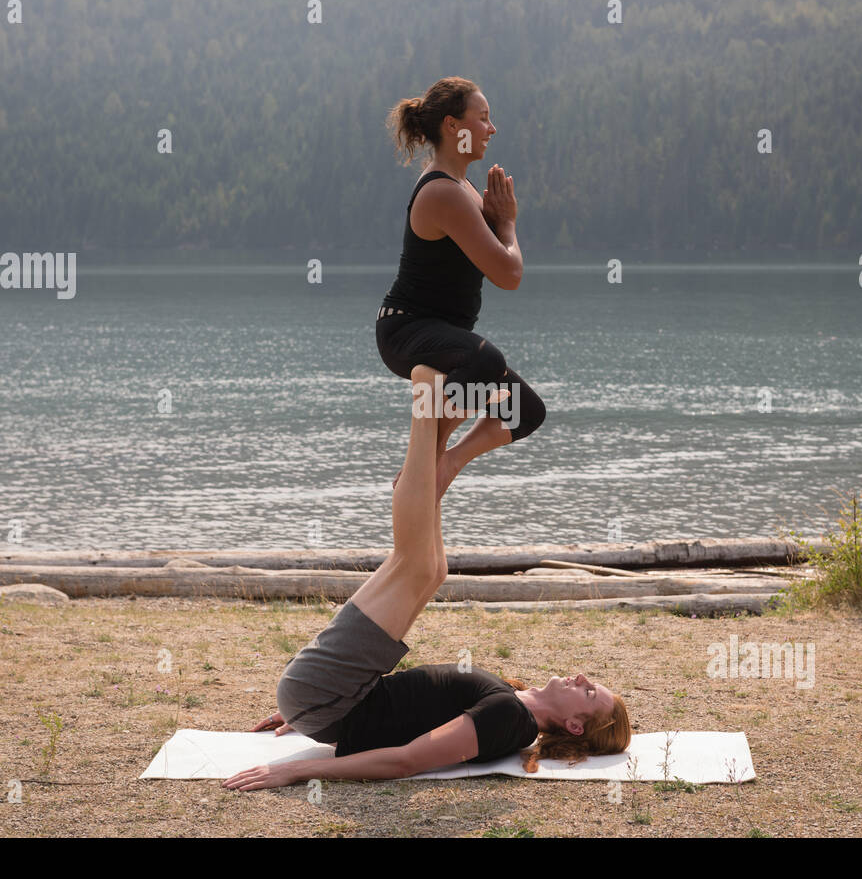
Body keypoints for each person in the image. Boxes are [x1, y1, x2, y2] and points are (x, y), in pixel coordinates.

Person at [223, 366, 629, 791]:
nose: (582, 677)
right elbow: (407, 712)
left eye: (588, 693)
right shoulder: (515, 701)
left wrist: (297, 768)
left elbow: (406, 761)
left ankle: (428, 402)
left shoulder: (511, 720)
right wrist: (307, 716)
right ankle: (439, 444)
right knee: (434, 571)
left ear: (574, 727)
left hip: (331, 697)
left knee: (416, 565)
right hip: (330, 699)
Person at [376, 76, 546, 500]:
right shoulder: (442, 192)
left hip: (444, 338)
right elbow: (509, 274)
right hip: (406, 330)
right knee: (486, 360)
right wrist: (506, 222)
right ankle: (427, 455)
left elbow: (502, 269)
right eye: (483, 118)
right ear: (453, 126)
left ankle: (446, 462)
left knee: (525, 410)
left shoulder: (466, 190)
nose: (493, 128)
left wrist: (495, 217)